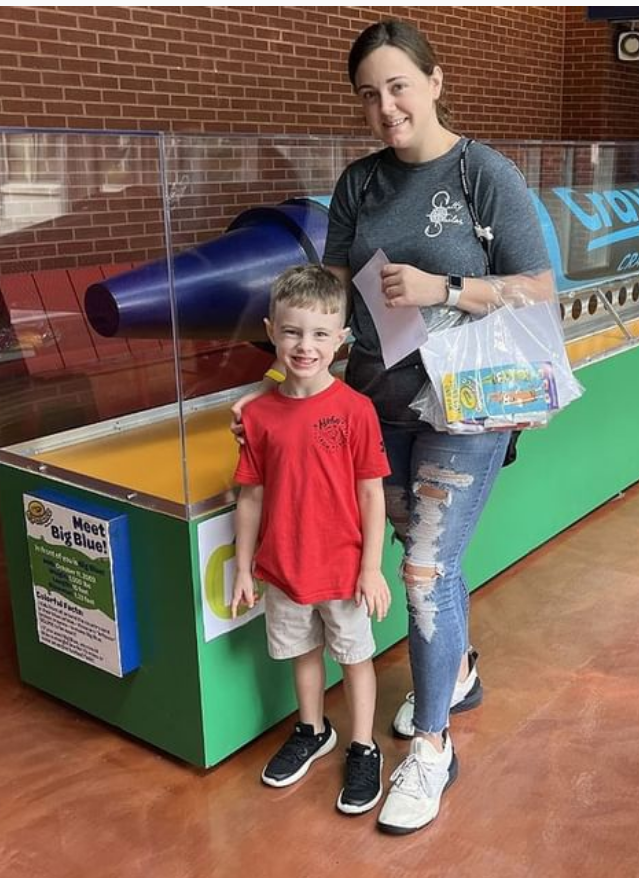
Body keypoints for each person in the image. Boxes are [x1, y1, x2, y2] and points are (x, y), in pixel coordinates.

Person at [233, 19, 554, 835]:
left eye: (398, 86)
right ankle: (459, 672)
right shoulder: (359, 183)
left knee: (420, 571)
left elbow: (539, 287)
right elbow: (330, 299)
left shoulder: (484, 173)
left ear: (435, 81)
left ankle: (433, 748)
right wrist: (280, 379)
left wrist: (446, 285)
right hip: (378, 406)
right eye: (369, 95)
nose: (385, 107)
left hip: (463, 407)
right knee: (428, 566)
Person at [230, 264, 392, 816]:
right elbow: (249, 495)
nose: (306, 345)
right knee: (302, 652)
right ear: (271, 329)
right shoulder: (257, 416)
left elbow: (372, 495)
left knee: (353, 657)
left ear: (341, 340)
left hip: (342, 570)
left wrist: (370, 568)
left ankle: (363, 744)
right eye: (294, 331)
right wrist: (243, 566)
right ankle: (311, 729)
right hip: (284, 568)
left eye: (321, 334)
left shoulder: (355, 410)